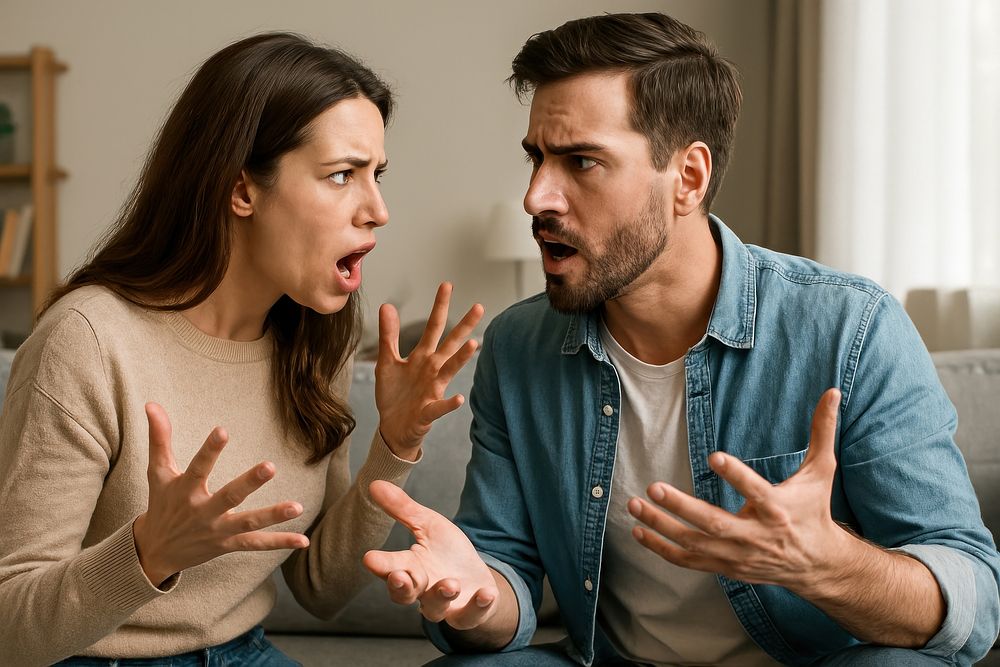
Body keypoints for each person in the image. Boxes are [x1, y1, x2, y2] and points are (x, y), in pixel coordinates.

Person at [363, 12, 1000, 666]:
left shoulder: (852, 328)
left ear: (689, 179)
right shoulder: (518, 347)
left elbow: (973, 596)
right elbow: (504, 575)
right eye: (537, 157)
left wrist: (827, 563)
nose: (535, 197)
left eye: (582, 161)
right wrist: (473, 593)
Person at [0, 32, 483, 666]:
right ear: (242, 191)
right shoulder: (88, 340)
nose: (378, 210)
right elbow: (8, 628)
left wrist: (393, 447)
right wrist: (147, 553)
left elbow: (322, 590)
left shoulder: (312, 340)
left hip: (242, 652)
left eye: (377, 175)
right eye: (342, 175)